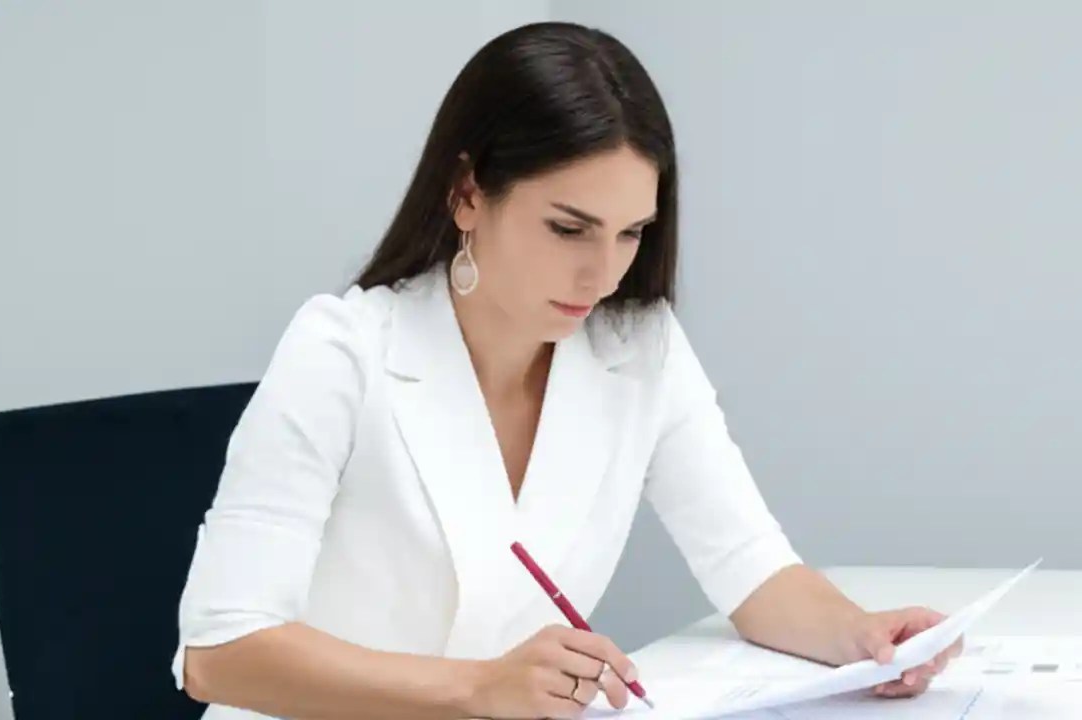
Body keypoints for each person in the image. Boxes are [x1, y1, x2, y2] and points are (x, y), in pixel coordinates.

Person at [172, 21, 962, 720]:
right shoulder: (339, 352)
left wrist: (861, 639)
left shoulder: (638, 346)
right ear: (468, 192)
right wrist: (478, 688)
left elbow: (752, 571)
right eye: (568, 228)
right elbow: (219, 654)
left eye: (630, 234)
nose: (603, 276)